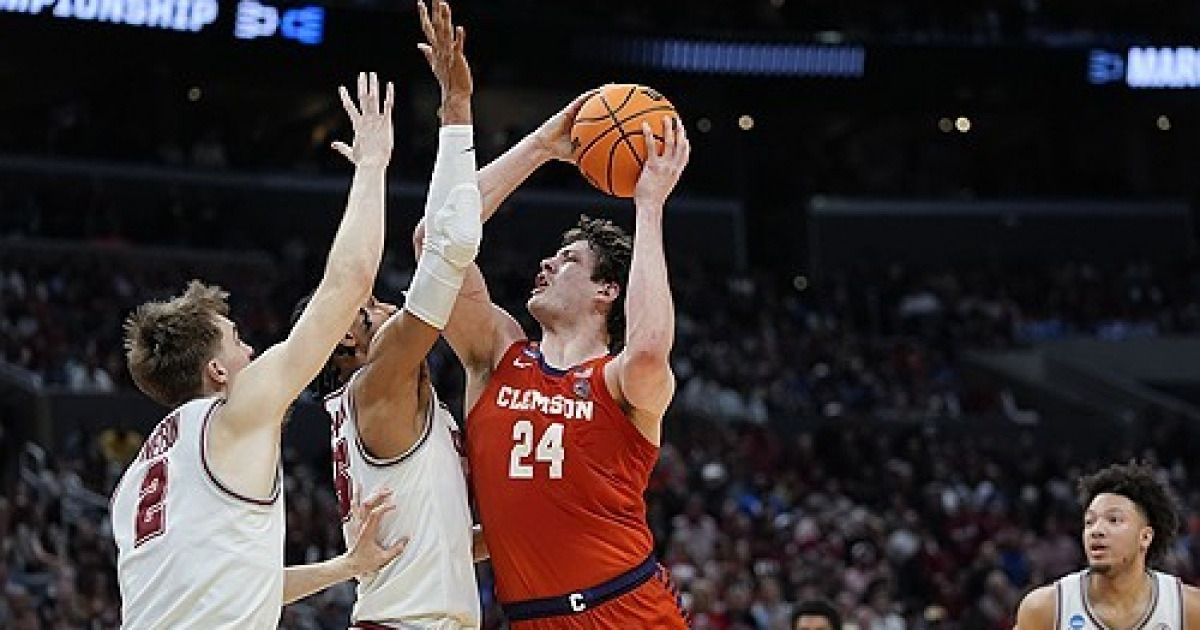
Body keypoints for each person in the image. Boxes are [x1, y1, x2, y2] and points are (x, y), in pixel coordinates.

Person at [111, 71, 406, 629]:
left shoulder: (135, 483)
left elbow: (241, 586)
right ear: (218, 370)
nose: (253, 352)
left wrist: (348, 565)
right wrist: (372, 167)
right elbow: (348, 285)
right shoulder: (234, 412)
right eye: (240, 342)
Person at [419, 86, 692, 625]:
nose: (546, 263)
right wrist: (542, 145)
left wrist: (649, 204)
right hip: (530, 616)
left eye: (566, 260)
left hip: (627, 610)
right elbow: (436, 240)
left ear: (606, 291)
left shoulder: (620, 380)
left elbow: (648, 351)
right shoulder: (496, 354)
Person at [297, 1, 485, 627]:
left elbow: (443, 542)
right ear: (342, 338)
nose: (381, 303)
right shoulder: (378, 380)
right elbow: (445, 253)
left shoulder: (385, 396)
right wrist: (455, 111)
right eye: (367, 305)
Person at [1013, 460, 1200, 630]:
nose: (1096, 530)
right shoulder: (1044, 609)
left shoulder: (1188, 609)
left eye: (1114, 520)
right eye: (1089, 521)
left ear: (1145, 537)